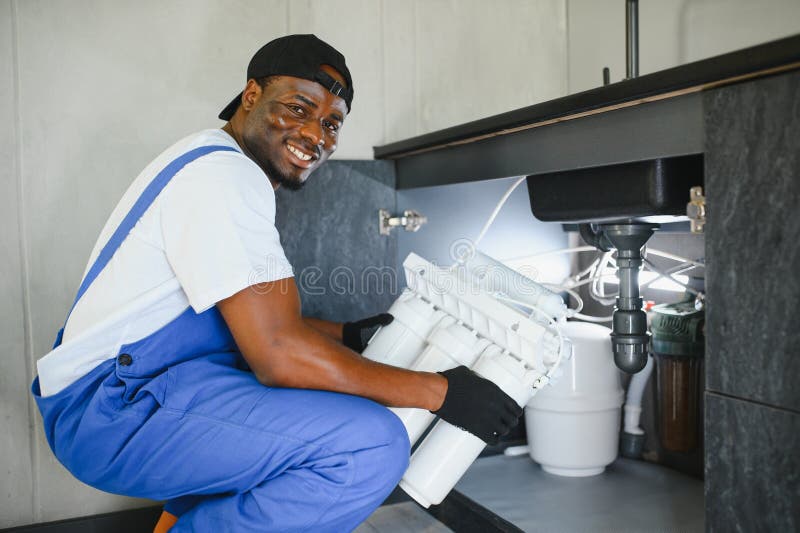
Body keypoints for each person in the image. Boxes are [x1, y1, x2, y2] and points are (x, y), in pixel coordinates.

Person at [31, 34, 522, 532]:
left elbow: (247, 319)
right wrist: (441, 393)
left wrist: (345, 336)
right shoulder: (226, 179)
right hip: (111, 408)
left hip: (125, 391)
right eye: (298, 107)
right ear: (250, 96)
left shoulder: (211, 159)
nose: (316, 133)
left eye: (331, 122)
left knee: (272, 415)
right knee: (369, 445)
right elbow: (277, 353)